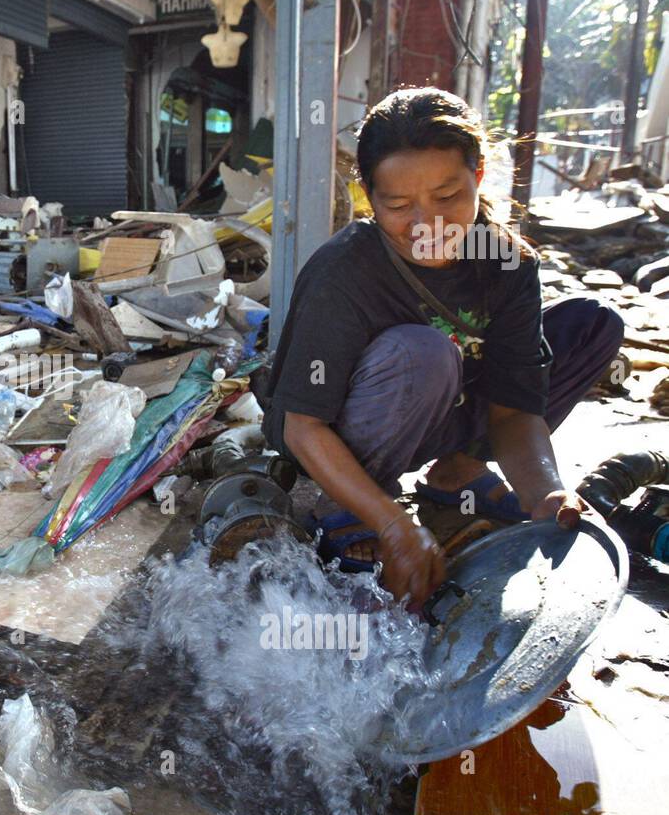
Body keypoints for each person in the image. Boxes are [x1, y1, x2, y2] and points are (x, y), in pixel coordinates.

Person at [261, 87, 624, 606]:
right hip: (339, 431)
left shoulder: (507, 263)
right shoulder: (343, 272)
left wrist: (546, 493)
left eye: (447, 196)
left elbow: (514, 409)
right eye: (399, 205)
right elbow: (302, 426)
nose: (426, 224)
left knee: (593, 324)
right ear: (369, 195)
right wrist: (389, 522)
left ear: (477, 176)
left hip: (444, 414)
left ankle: (456, 470)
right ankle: (352, 503)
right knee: (423, 353)